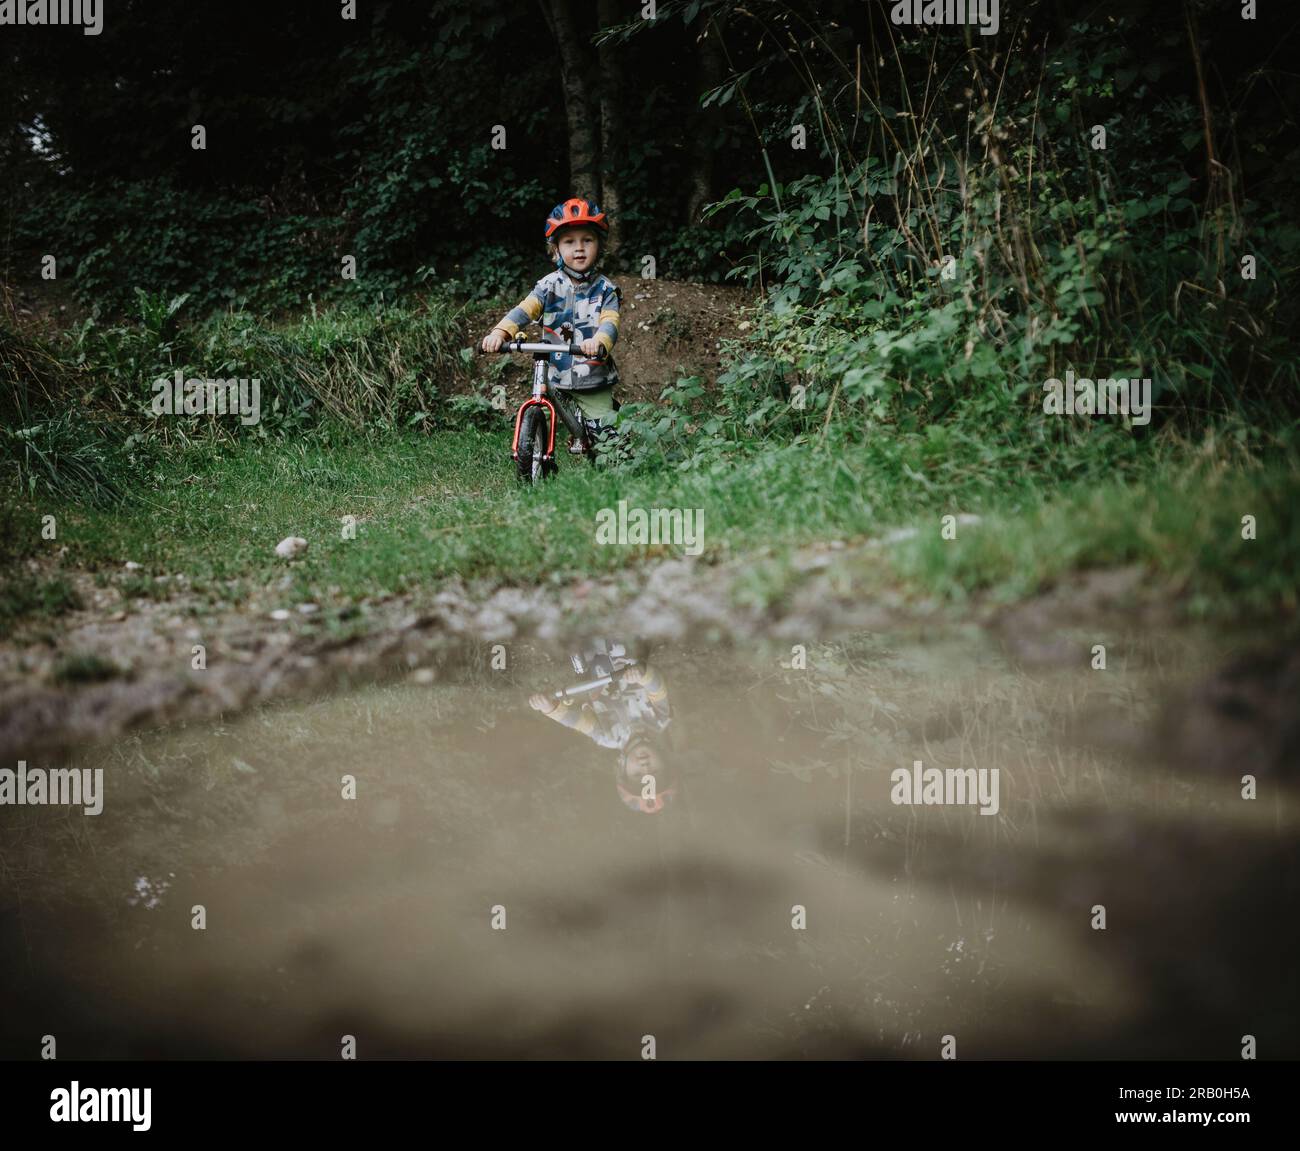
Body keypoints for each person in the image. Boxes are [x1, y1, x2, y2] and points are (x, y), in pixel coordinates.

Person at [481, 197, 623, 453]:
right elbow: (526, 309)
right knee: (546, 395)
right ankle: (539, 448)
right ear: (556, 249)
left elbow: (610, 322)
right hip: (555, 371)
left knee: (608, 441)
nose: (579, 248)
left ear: (599, 246)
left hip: (592, 374)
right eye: (569, 241)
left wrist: (599, 342)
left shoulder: (605, 290)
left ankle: (617, 461)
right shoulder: (548, 286)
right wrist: (501, 331)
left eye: (587, 240)